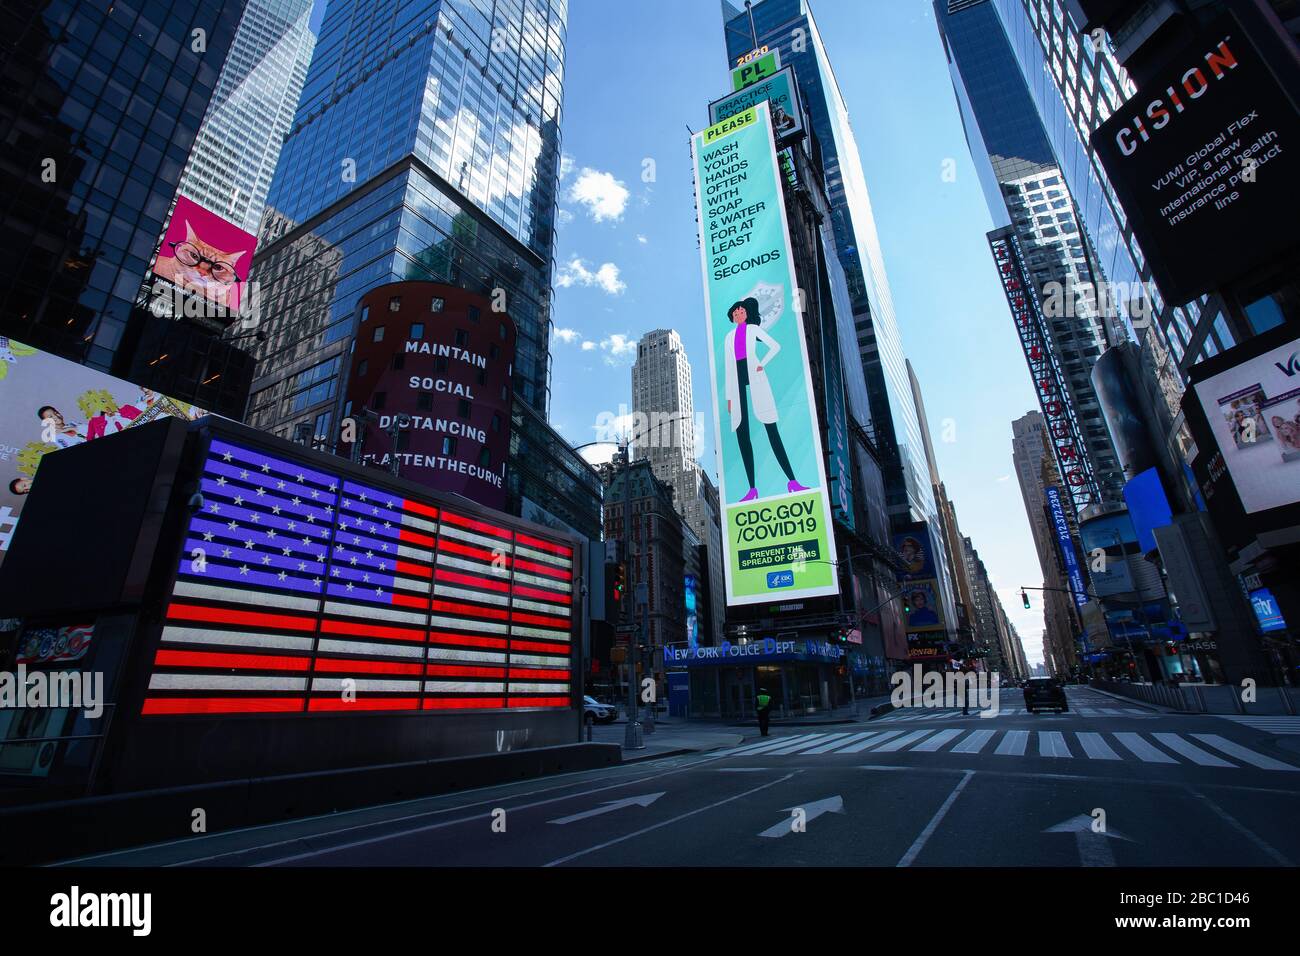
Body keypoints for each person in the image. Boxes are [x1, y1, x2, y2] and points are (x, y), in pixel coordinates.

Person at [723, 297, 808, 502]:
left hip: (756, 375)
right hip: (736, 383)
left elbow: (775, 346)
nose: (738, 314)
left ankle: (792, 481)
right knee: (742, 434)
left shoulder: (753, 330)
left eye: (741, 311)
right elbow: (728, 366)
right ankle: (752, 488)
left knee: (771, 429)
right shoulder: (729, 337)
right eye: (735, 312)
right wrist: (728, 398)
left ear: (747, 314)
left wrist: (763, 363)